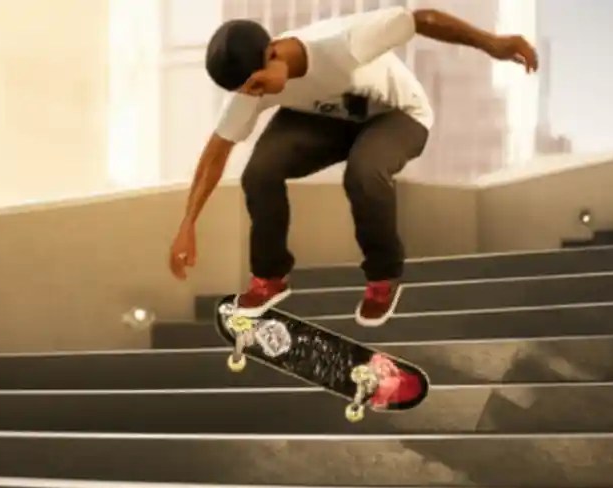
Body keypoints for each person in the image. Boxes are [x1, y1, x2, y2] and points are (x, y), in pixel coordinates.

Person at [168, 6, 537, 327]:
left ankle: (382, 276)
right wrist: (188, 222)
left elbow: (421, 20)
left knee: (363, 172)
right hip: (327, 121)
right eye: (246, 91)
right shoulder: (250, 88)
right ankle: (269, 276)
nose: (254, 94)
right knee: (258, 172)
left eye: (256, 85)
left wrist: (493, 43)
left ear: (273, 52)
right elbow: (217, 151)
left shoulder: (344, 42)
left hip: (398, 116)